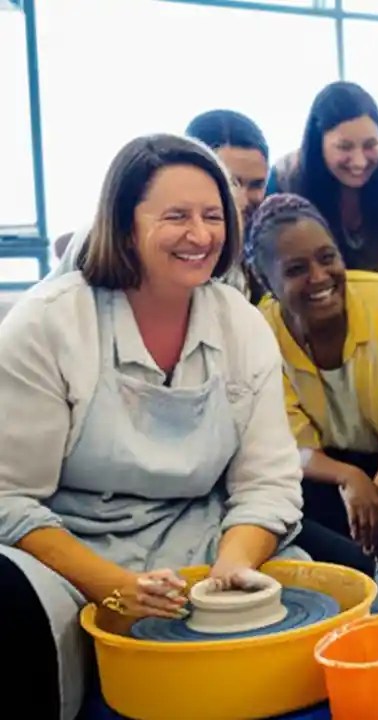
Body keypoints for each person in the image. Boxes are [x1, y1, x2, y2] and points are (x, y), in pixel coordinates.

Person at [0, 134, 305, 720]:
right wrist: (112, 587)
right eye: (176, 216)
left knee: (344, 576)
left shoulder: (240, 325)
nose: (200, 235)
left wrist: (232, 568)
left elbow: (267, 481)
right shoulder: (49, 324)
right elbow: (11, 497)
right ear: (123, 222)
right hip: (66, 545)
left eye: (213, 216)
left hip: (201, 533)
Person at [248, 193, 378, 566]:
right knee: (280, 512)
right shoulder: (258, 329)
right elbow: (287, 440)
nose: (319, 277)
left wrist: (373, 491)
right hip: (325, 472)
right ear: (265, 280)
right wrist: (348, 478)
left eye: (327, 258)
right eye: (296, 269)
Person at [51, 109, 273, 300]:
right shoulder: (114, 237)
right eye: (231, 183)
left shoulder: (258, 248)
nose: (242, 200)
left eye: (256, 184)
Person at [268, 81, 378, 289]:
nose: (359, 161)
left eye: (371, 145)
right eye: (344, 147)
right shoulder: (285, 180)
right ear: (318, 144)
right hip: (312, 302)